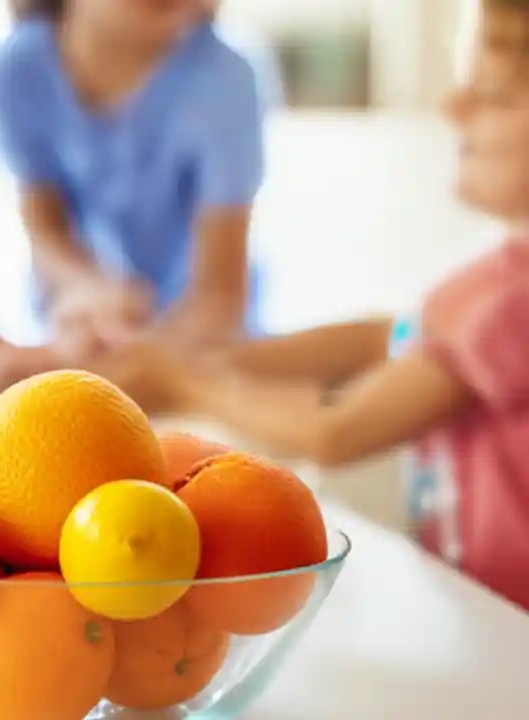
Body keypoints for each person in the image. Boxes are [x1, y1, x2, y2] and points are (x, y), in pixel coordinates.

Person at [123, 0, 529, 611]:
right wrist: (218, 358)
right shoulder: (497, 277)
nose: (453, 106)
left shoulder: (509, 299)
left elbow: (334, 432)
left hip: (505, 628)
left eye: (492, 94)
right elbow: (389, 338)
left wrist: (184, 381)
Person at [0, 0, 267, 365]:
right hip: (84, 332)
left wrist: (137, 362)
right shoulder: (14, 72)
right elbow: (46, 231)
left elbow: (219, 297)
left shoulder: (227, 82)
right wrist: (89, 289)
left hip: (203, 347)